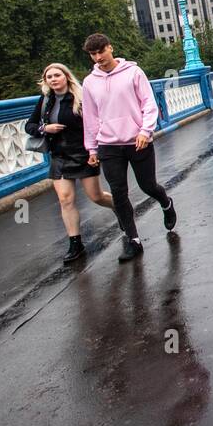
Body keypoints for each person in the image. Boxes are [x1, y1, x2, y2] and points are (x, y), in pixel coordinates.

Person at [81, 33, 177, 263]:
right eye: (93, 54)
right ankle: (133, 240)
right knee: (118, 193)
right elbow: (90, 117)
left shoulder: (133, 72)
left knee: (147, 186)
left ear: (110, 47)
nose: (98, 58)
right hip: (108, 145)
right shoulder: (89, 82)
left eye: (100, 51)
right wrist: (92, 149)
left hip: (137, 140)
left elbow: (149, 103)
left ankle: (166, 202)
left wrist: (145, 131)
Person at [25, 63, 116, 264]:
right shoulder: (46, 100)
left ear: (66, 76)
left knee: (96, 196)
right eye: (49, 77)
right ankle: (75, 243)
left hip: (83, 153)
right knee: (66, 200)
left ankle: (120, 209)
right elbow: (29, 126)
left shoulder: (81, 97)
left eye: (57, 75)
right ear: (46, 81)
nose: (53, 79)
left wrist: (96, 149)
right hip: (59, 156)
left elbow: (97, 123)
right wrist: (45, 128)